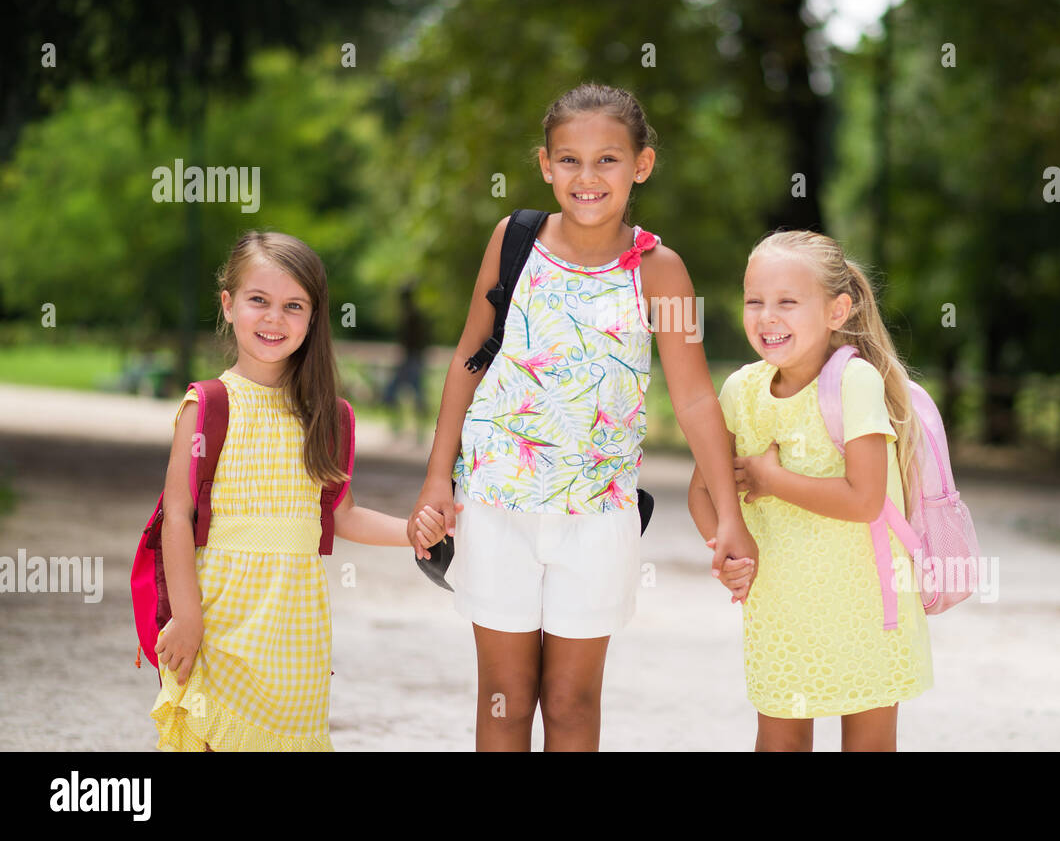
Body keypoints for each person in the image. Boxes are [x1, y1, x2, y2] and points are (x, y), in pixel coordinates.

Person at [406, 82, 757, 751]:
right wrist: (435, 481)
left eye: (608, 160)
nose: (587, 177)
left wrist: (731, 516)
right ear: (545, 164)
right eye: (569, 160)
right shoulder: (513, 239)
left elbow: (694, 397)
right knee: (504, 701)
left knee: (571, 703)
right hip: (497, 499)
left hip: (598, 515)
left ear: (641, 165)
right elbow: (467, 359)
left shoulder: (662, 271)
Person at [151, 230, 442, 751]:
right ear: (227, 303)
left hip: (295, 632)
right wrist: (186, 615)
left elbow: (343, 516)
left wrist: (412, 532)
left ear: (313, 318)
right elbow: (176, 515)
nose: (273, 318)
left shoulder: (328, 418)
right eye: (257, 300)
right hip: (218, 621)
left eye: (293, 306)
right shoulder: (209, 406)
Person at [689, 230, 933, 751]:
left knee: (867, 742)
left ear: (836, 311)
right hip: (779, 607)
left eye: (787, 302)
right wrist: (724, 545)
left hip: (865, 605)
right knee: (780, 741)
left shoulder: (855, 382)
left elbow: (864, 499)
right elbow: (705, 492)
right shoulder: (741, 391)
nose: (766, 316)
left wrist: (769, 478)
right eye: (754, 301)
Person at [382, 283, 431, 442]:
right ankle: (405, 429)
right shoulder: (411, 316)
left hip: (412, 360)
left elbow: (415, 341)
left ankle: (414, 431)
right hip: (411, 360)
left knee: (410, 396)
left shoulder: (413, 316)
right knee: (403, 395)